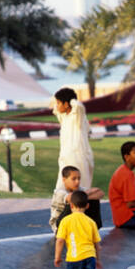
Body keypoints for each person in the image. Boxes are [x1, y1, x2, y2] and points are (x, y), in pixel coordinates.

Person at [52, 87, 101, 227]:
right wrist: (61, 101)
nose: (56, 106)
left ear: (67, 104)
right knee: (62, 192)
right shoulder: (65, 117)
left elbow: (78, 106)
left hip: (79, 160)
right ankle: (60, 224)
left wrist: (71, 99)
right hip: (65, 161)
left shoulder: (78, 116)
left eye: (59, 103)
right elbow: (55, 111)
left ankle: (83, 224)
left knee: (81, 193)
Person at [54, 189, 100, 269]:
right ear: (87, 206)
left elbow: (60, 240)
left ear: (71, 205)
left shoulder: (66, 221)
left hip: (75, 258)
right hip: (90, 256)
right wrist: (98, 259)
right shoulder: (91, 222)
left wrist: (57, 257)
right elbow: (97, 244)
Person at [50, 164, 104, 231]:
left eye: (79, 178)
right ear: (64, 179)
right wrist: (84, 196)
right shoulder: (59, 192)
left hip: (75, 222)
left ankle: (93, 227)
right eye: (74, 179)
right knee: (73, 202)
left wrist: (84, 196)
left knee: (93, 200)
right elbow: (71, 198)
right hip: (60, 226)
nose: (77, 181)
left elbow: (100, 193)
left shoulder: (79, 189)